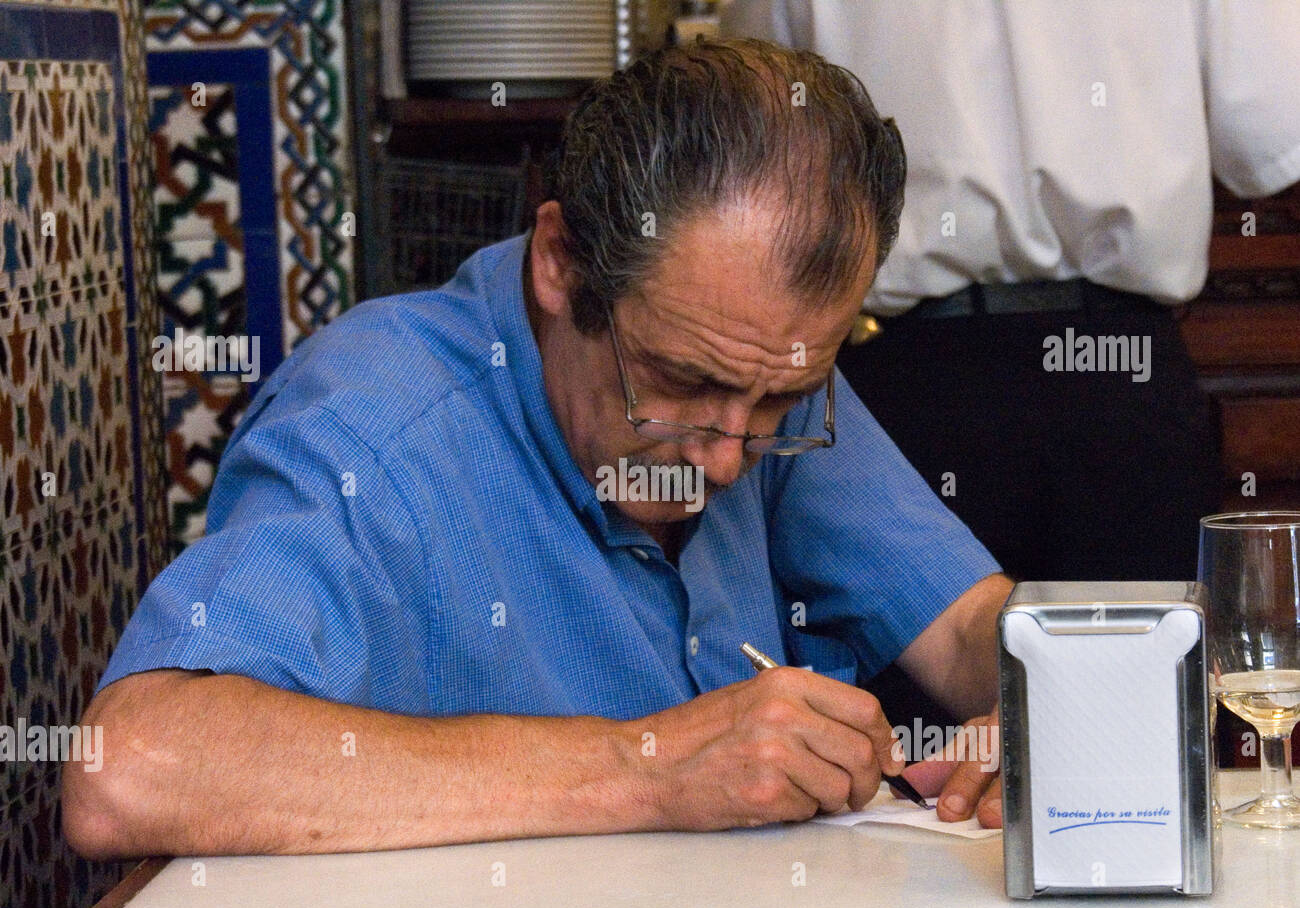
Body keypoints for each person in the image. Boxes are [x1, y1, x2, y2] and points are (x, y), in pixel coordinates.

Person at [65, 39, 1008, 860]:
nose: (727, 462)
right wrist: (646, 766)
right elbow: (134, 768)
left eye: (784, 399)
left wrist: (1053, 707)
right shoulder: (377, 430)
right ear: (560, 263)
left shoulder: (752, 372)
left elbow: (968, 626)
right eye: (676, 385)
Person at [723, 0, 1300, 727]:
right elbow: (1272, 133)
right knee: (1138, 733)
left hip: (906, 371)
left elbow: (753, 123)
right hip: (1116, 372)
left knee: (912, 775)